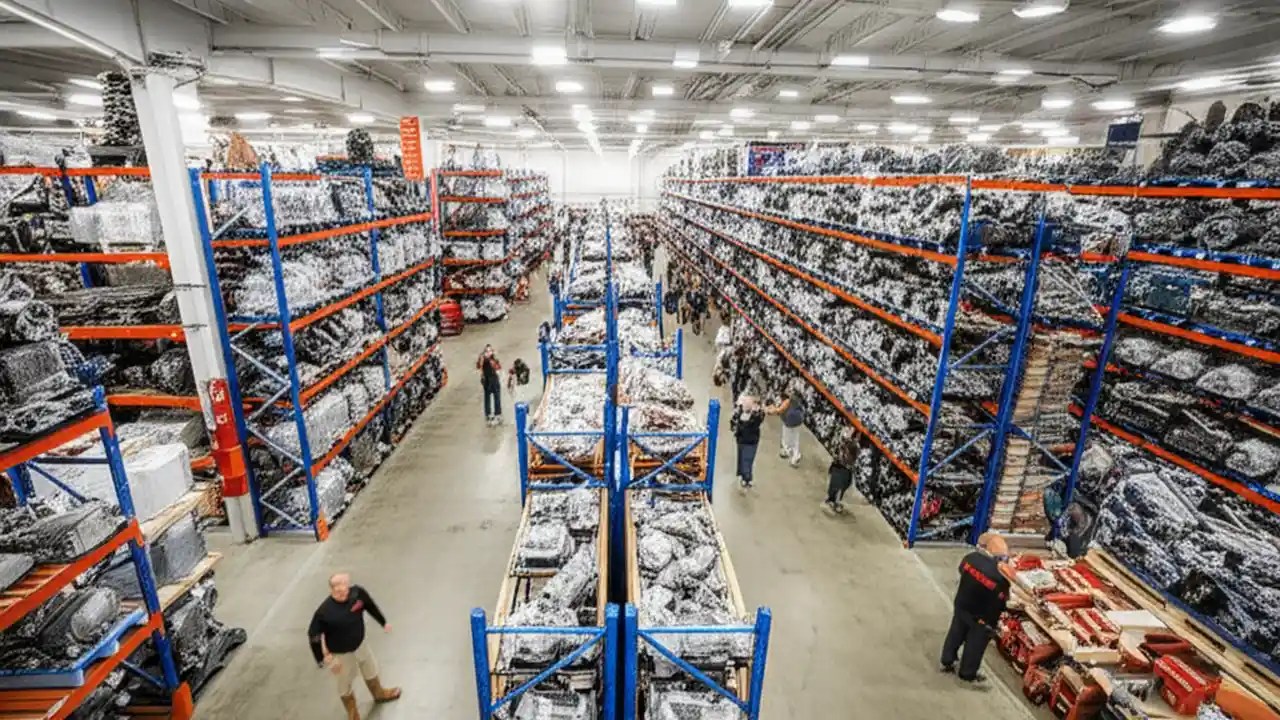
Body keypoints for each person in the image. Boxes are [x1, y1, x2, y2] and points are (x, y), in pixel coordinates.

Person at [308, 573, 400, 720]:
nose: (344, 591)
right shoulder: (324, 612)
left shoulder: (357, 593)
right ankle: (353, 713)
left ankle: (379, 693)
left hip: (361, 644)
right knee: (344, 684)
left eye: (346, 586)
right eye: (339, 589)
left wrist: (383, 622)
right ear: (333, 589)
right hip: (342, 654)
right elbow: (314, 636)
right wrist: (322, 658)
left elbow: (370, 606)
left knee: (371, 669)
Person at [940, 533, 1012, 684]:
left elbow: (962, 571)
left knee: (956, 633)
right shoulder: (999, 578)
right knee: (975, 643)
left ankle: (947, 659)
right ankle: (967, 673)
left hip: (961, 604)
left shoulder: (970, 559)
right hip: (981, 616)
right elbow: (1001, 602)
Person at [767, 380, 806, 467]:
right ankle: (793, 454)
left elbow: (780, 409)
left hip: (790, 420)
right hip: (797, 419)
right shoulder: (796, 399)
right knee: (794, 438)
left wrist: (769, 411)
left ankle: (790, 453)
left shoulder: (788, 399)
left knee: (787, 438)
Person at [731, 394, 765, 489]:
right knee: (744, 459)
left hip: (749, 441)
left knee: (746, 459)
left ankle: (746, 477)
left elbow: (761, 415)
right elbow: (733, 423)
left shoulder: (754, 417)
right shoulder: (745, 415)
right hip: (746, 440)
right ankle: (745, 477)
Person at [477, 345, 503, 426]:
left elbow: (498, 367)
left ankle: (497, 414)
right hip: (487, 381)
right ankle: (488, 414)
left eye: (490, 351)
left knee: (497, 397)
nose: (489, 353)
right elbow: (479, 367)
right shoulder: (483, 360)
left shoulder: (494, 359)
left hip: (494, 380)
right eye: (487, 351)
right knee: (487, 398)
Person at [824, 448, 854, 514]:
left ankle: (834, 500)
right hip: (840, 467)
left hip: (842, 466)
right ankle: (833, 501)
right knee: (839, 481)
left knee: (843, 481)